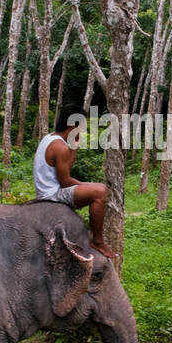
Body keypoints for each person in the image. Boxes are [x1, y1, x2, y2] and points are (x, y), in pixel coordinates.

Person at [33, 104, 116, 259]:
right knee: (100, 192)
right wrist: (85, 186)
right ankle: (97, 240)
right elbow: (65, 182)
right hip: (51, 195)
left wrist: (75, 145)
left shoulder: (51, 138)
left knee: (97, 187)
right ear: (72, 127)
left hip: (49, 190)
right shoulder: (60, 147)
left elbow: (66, 168)